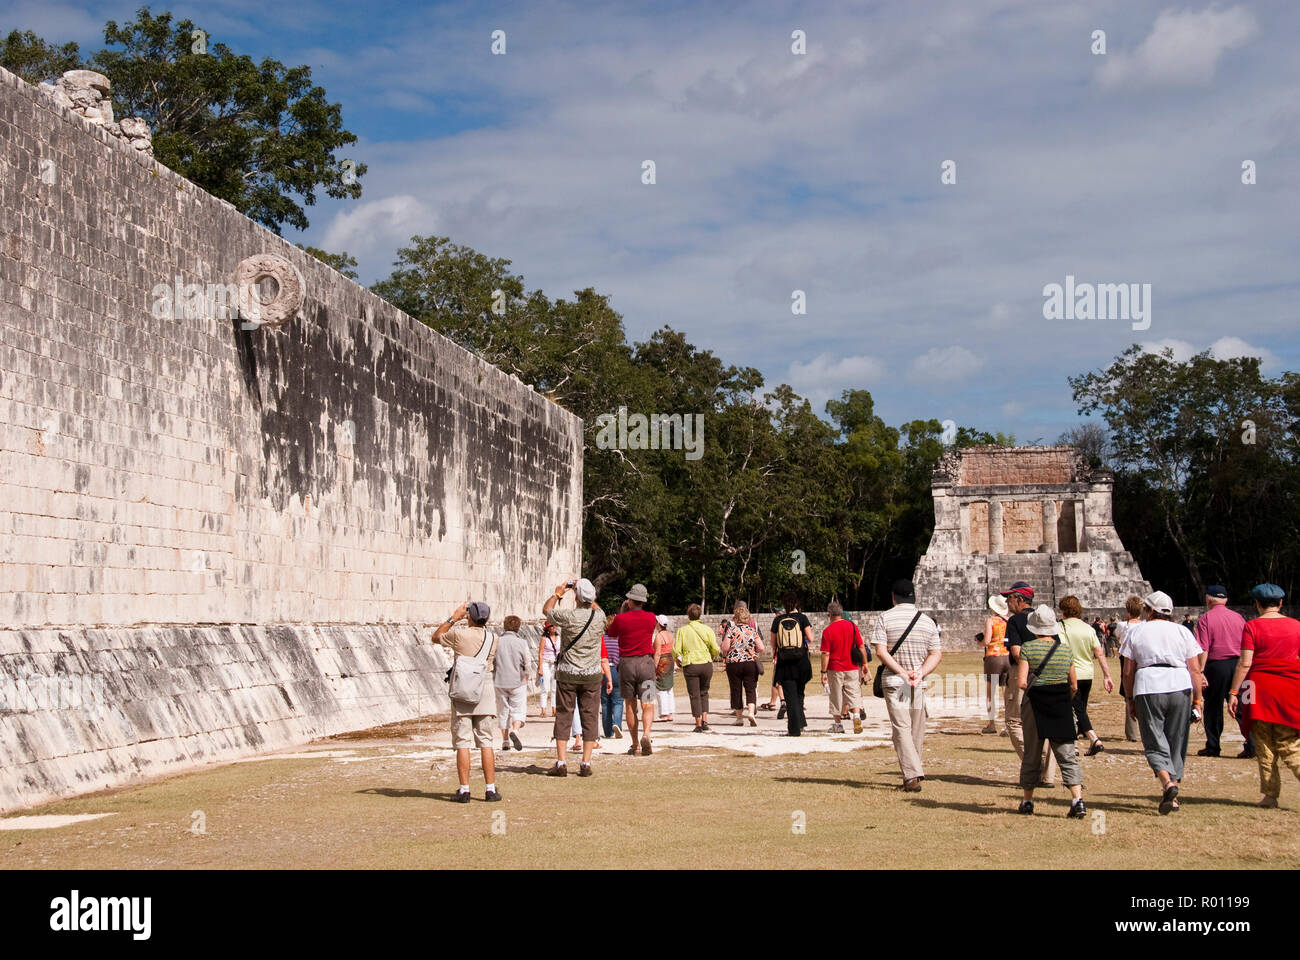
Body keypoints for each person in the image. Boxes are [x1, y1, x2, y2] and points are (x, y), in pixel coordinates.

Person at [1121, 591, 1205, 814]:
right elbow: (1195, 669)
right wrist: (1198, 699)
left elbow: (1128, 671)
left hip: (1149, 686)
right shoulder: (1182, 631)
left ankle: (1167, 784)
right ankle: (1173, 795)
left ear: (1148, 610)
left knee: (1153, 739)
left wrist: (1130, 699)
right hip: (1179, 684)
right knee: (1176, 740)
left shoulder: (1137, 631)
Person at [1228, 584, 1300, 808]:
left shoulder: (1252, 627)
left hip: (1257, 688)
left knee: (1263, 743)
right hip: (1290, 687)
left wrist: (1233, 692)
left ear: (1257, 604)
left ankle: (1270, 795)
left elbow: (1245, 662)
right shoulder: (1296, 625)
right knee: (1289, 742)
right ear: (1280, 603)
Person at [1015, 605, 1086, 818]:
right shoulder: (1065, 649)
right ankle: (1077, 799)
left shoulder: (1028, 647)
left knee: (1032, 753)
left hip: (1036, 702)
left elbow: (1021, 682)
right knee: (1066, 754)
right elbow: (1073, 684)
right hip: (1060, 703)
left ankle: (1027, 800)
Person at [872, 579, 942, 791]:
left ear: (894, 596)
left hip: (895, 680)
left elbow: (880, 651)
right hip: (918, 681)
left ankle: (911, 775)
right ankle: (915, 769)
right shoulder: (927, 621)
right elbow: (936, 653)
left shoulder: (885, 617)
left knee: (901, 728)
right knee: (916, 727)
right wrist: (920, 672)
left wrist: (902, 672)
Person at [431, 600, 501, 802]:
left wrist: (454, 617)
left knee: (463, 741)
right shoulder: (493, 637)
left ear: (469, 616)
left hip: (463, 688)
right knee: (486, 741)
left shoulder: (459, 634)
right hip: (485, 688)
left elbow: (436, 637)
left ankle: (464, 789)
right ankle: (490, 788)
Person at [543, 578, 609, 778]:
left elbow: (547, 611)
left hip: (568, 672)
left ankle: (562, 762)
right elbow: (595, 607)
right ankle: (586, 762)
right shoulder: (599, 617)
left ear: (577, 597)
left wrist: (559, 593)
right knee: (590, 716)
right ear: (593, 597)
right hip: (591, 674)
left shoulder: (569, 616)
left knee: (564, 715)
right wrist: (586, 594)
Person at [1002, 581, 1059, 785]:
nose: (1007, 601)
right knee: (1049, 723)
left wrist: (1028, 667)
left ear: (1019, 599)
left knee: (1014, 721)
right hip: (1051, 672)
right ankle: (1048, 775)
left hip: (1022, 673)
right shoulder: (1046, 619)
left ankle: (1035, 763)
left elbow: (1016, 652)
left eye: (1009, 597)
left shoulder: (1015, 621)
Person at [604, 583, 660, 756]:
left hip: (627, 664)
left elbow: (612, 634)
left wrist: (622, 613)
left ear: (629, 600)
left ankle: (635, 743)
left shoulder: (621, 619)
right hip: (646, 663)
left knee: (630, 704)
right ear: (643, 601)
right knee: (648, 702)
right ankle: (647, 734)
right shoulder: (651, 618)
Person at [1195, 585, 1248, 758]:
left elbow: (1204, 648)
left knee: (1213, 707)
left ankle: (1213, 746)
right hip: (1238, 664)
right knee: (1242, 706)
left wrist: (1200, 671)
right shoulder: (1239, 617)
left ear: (1209, 599)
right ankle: (1252, 744)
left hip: (1216, 666)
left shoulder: (1206, 619)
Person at [1058, 596, 1113, 756]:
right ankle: (1074, 743)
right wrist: (1107, 675)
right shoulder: (1088, 629)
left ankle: (1094, 739)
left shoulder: (1060, 627)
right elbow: (1100, 653)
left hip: (1070, 673)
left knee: (1076, 710)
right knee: (1077, 709)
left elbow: (1061, 650)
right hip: (1087, 674)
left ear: (1063, 610)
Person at [770, 592, 814, 736]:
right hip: (801, 660)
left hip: (785, 662)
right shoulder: (802, 618)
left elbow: (773, 643)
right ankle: (800, 723)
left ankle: (794, 728)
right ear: (796, 604)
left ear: (784, 605)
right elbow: (810, 638)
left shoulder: (778, 620)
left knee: (790, 695)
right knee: (800, 691)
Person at [819, 601, 865, 734]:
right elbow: (861, 646)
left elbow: (825, 653)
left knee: (836, 695)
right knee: (854, 692)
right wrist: (865, 664)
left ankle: (838, 724)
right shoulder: (852, 626)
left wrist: (823, 671)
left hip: (835, 667)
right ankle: (856, 717)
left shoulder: (828, 631)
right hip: (851, 665)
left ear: (829, 614)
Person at [675, 605, 720, 732]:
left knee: (694, 694)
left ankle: (698, 723)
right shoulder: (707, 629)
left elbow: (676, 649)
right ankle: (705, 720)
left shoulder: (682, 631)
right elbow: (716, 648)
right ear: (700, 615)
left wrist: (677, 659)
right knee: (704, 692)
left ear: (688, 615)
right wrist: (711, 655)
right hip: (706, 663)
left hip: (691, 663)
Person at [721, 602, 764, 726]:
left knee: (736, 689)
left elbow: (725, 647)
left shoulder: (731, 630)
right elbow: (761, 647)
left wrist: (729, 652)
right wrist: (751, 650)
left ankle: (739, 718)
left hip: (734, 663)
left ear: (736, 617)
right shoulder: (752, 630)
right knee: (750, 688)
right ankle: (751, 712)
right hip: (750, 662)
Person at [494, 615, 531, 752]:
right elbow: (527, 661)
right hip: (517, 680)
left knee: (503, 710)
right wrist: (527, 675)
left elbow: (492, 660)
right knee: (518, 708)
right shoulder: (521, 643)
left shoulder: (497, 641)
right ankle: (515, 731)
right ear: (518, 627)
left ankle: (504, 740)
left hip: (500, 680)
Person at [1113, 596, 1144, 742]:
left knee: (1128, 693)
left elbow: (1118, 637)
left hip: (1125, 658)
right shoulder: (1145, 625)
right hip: (1142, 658)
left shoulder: (1122, 625)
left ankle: (1132, 733)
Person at [983, 595, 1011, 735]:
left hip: (994, 657)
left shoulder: (991, 621)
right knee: (1006, 693)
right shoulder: (1010, 620)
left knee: (990, 693)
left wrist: (980, 642)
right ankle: (1008, 725)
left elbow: (987, 641)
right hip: (1007, 656)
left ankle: (992, 724)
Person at [600, 625, 623, 742]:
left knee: (605, 702)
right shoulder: (619, 639)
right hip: (616, 670)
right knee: (618, 701)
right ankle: (617, 723)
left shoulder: (601, 638)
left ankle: (608, 731)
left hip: (603, 670)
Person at [653, 614, 676, 721]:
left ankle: (663, 713)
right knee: (669, 687)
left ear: (658, 624)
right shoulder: (669, 634)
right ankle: (670, 712)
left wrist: (654, 667)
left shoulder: (659, 636)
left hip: (662, 661)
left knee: (660, 687)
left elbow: (657, 653)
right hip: (670, 660)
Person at [536, 623, 560, 718]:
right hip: (546, 663)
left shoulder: (559, 638)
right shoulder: (544, 639)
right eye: (551, 626)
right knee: (544, 688)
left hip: (555, 664)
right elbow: (540, 653)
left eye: (554, 626)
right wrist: (540, 667)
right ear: (548, 628)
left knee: (555, 688)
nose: (553, 628)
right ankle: (543, 710)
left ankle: (554, 709)